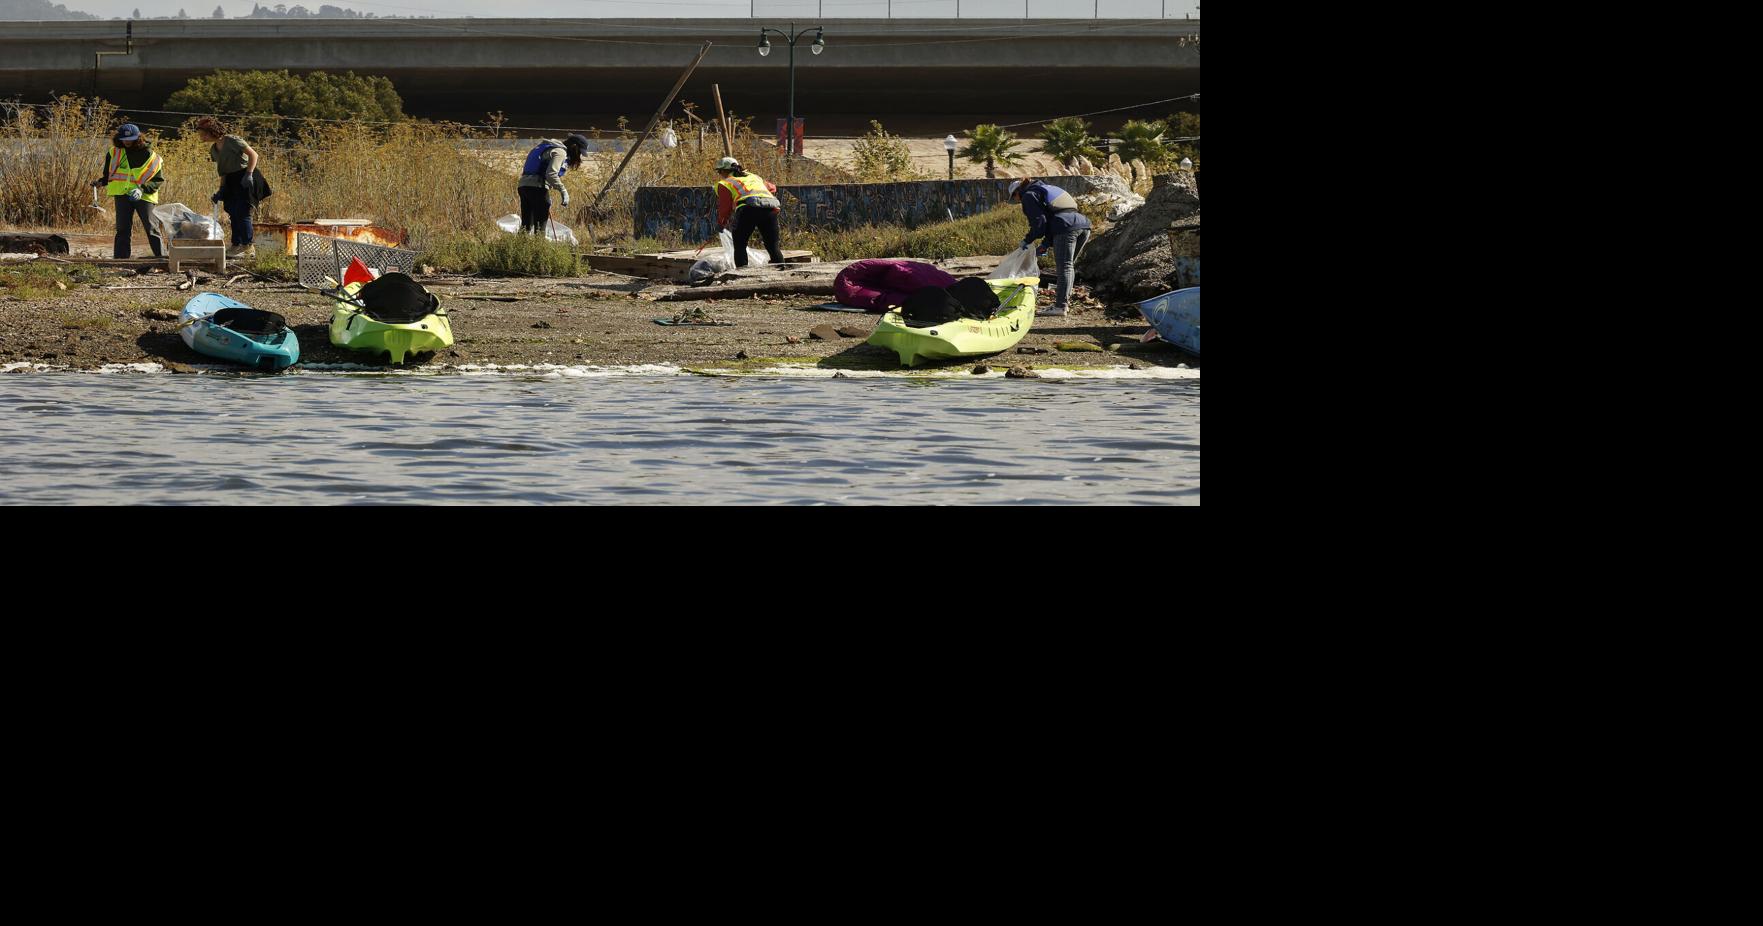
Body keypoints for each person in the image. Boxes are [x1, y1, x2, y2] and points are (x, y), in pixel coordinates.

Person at [1009, 177, 1092, 317]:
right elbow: (1053, 219)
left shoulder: (1028, 195)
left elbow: (1040, 224)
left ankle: (1060, 306)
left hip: (1066, 227)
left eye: (1015, 197)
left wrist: (1027, 240)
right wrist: (1045, 245)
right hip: (1084, 225)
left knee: (1064, 267)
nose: (1017, 201)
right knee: (1069, 266)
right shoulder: (1044, 189)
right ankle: (1064, 303)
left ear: (1018, 192)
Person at [92, 123, 166, 260]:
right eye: (123, 139)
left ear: (138, 138)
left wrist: (142, 189)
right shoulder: (113, 152)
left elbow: (158, 180)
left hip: (144, 196)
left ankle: (163, 259)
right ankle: (120, 260)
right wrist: (101, 182)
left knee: (151, 228)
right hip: (122, 195)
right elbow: (109, 174)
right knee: (122, 229)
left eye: (130, 139)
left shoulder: (149, 154)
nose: (126, 141)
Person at [195, 117, 261, 259]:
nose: (201, 136)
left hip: (245, 176)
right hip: (230, 181)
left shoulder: (232, 140)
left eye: (202, 133)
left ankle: (249, 246)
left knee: (242, 212)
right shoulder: (214, 149)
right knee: (232, 212)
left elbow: (253, 155)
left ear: (211, 131)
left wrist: (249, 174)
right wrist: (221, 189)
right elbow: (223, 171)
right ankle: (236, 245)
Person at [713, 156, 785, 268]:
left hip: (748, 209)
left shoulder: (725, 183)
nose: (719, 174)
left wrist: (721, 223)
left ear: (723, 171)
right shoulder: (754, 177)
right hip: (770, 208)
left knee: (740, 244)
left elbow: (725, 207)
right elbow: (772, 188)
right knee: (772, 245)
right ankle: (781, 270)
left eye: (719, 172)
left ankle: (742, 274)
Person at [517, 134, 589, 235]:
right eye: (579, 152)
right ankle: (540, 249)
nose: (579, 156)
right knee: (540, 228)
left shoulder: (549, 147)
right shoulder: (560, 152)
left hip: (523, 186)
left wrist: (545, 192)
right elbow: (551, 174)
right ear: (574, 147)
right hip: (537, 187)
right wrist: (563, 191)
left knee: (526, 225)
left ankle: (519, 248)